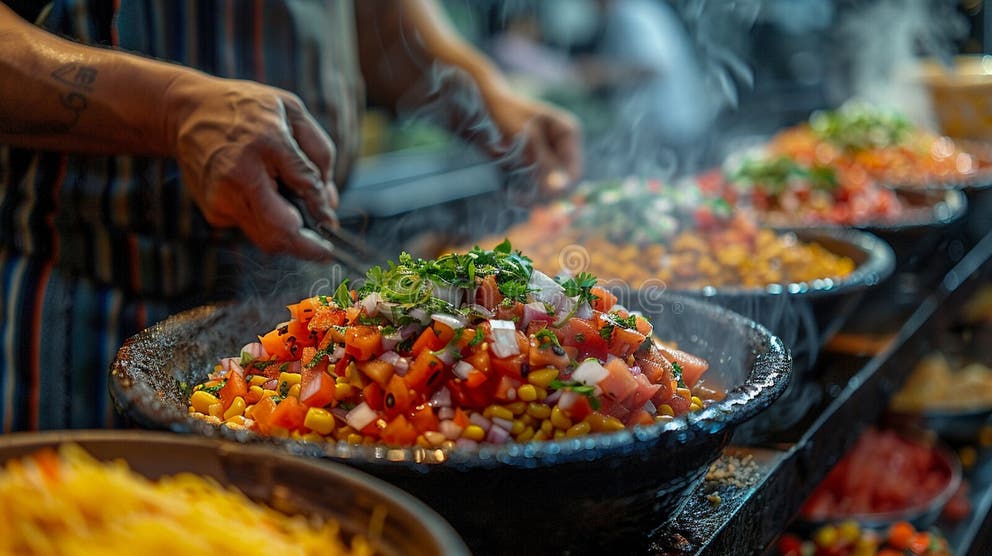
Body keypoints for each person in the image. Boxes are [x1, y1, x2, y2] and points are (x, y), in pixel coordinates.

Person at [0, 0, 582, 432]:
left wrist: (488, 95)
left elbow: (374, 23)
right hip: (85, 305)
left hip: (301, 319)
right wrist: (169, 107)